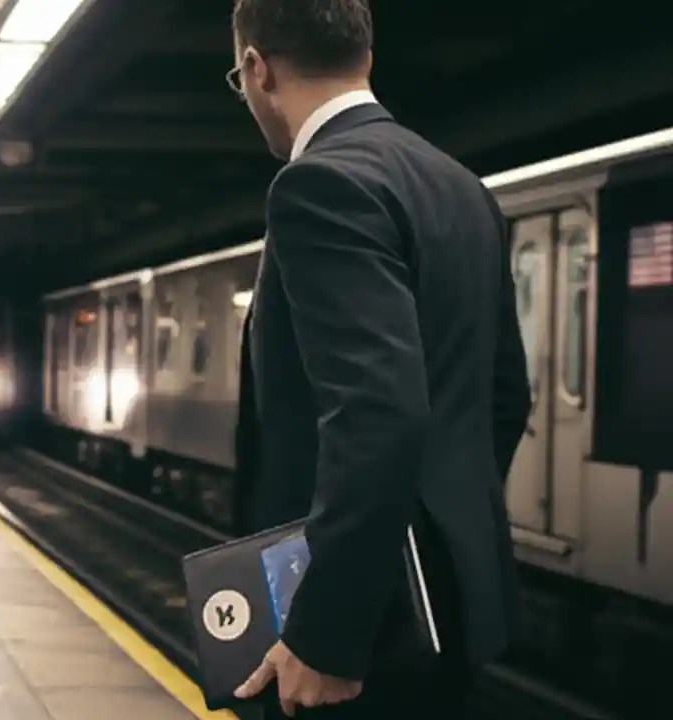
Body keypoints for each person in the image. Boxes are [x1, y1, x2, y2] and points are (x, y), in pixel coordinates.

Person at [226, 1, 532, 717]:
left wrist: (328, 633)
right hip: (453, 605)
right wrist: (446, 528)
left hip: (365, 628)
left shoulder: (320, 185)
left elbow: (378, 415)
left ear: (255, 69)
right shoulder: (461, 186)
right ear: (363, 56)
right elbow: (506, 396)